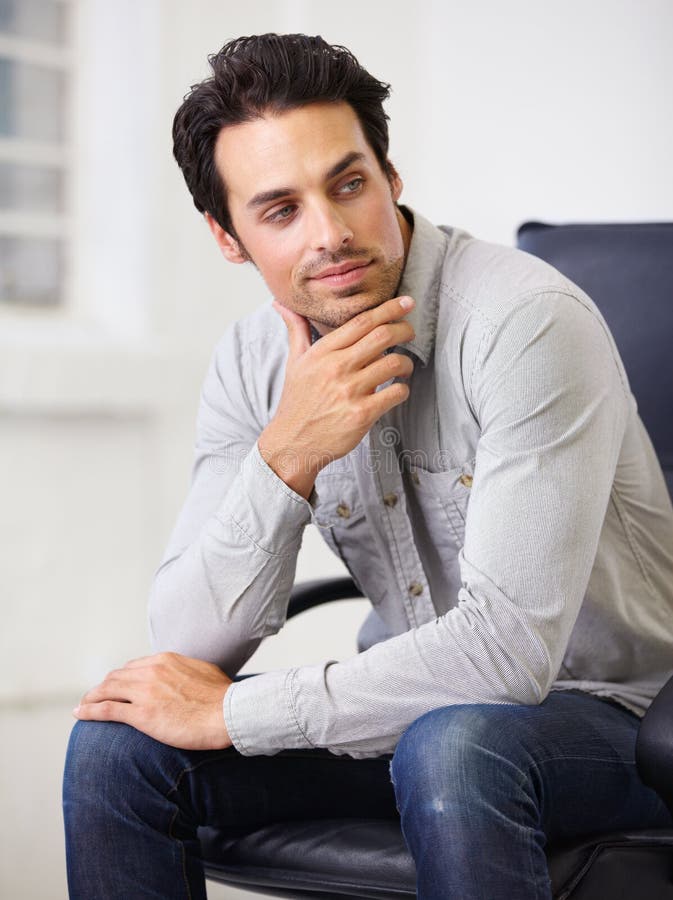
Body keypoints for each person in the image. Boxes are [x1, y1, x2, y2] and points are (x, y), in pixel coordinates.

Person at [62, 33, 673, 899]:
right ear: (227, 236)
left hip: (622, 719)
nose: (332, 233)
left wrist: (235, 712)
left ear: (389, 177)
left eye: (348, 184)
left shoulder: (525, 322)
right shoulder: (250, 363)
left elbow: (507, 656)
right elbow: (191, 645)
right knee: (116, 748)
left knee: (454, 742)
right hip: (410, 718)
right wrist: (289, 454)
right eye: (279, 210)